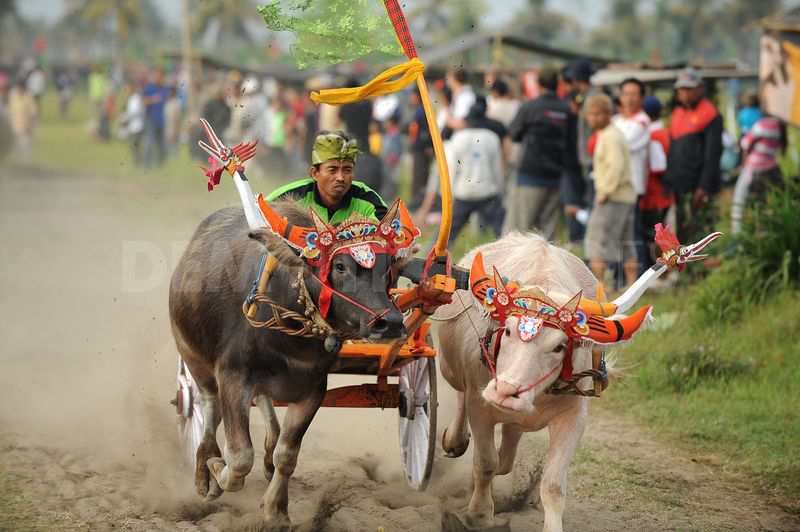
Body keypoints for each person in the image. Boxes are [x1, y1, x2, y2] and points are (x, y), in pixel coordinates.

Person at [505, 65, 576, 240]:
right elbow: (571, 142)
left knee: (522, 231)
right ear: (557, 84)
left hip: (530, 176)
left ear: (539, 83)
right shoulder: (566, 110)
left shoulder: (530, 107)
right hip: (555, 177)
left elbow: (514, 133)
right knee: (548, 233)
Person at [266, 130, 387, 223]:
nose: (340, 177)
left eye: (347, 170)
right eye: (332, 170)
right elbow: (257, 215)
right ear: (314, 173)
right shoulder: (290, 196)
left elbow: (388, 230)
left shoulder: (369, 200)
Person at [583, 94, 638, 288]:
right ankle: (633, 287)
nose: (593, 118)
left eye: (598, 114)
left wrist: (604, 191)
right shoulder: (611, 134)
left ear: (608, 114)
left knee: (596, 242)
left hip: (612, 197)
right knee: (626, 242)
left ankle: (600, 289)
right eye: (590, 114)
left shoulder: (611, 136)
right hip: (624, 196)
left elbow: (616, 166)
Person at [663, 68, 723, 245]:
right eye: (681, 89)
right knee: (682, 230)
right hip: (680, 185)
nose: (684, 93)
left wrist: (704, 186)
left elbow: (713, 154)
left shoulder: (710, 114)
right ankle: (687, 271)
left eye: (689, 88)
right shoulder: (677, 113)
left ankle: (703, 271)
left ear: (700, 89)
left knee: (702, 232)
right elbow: (673, 149)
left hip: (698, 187)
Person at [445, 100, 506, 243]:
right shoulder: (492, 137)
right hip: (487, 193)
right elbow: (497, 169)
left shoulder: (458, 138)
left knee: (446, 236)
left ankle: (430, 259)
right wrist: (500, 191)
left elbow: (453, 169)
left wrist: (449, 195)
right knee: (503, 234)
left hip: (463, 193)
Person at [612, 77, 651, 273]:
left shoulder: (642, 121)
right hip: (614, 186)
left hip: (632, 186)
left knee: (632, 234)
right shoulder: (616, 120)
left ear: (641, 98)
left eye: (634, 94)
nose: (629, 98)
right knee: (617, 233)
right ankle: (619, 275)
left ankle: (639, 277)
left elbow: (620, 144)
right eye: (626, 94)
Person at [731, 115, 786, 235]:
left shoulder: (763, 124)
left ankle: (737, 236)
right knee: (766, 206)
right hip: (772, 169)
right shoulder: (780, 127)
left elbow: (745, 143)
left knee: (739, 203)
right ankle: (767, 235)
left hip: (754, 170)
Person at [639, 95, 673, 270]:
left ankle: (657, 270)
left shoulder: (651, 136)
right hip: (664, 194)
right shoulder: (666, 132)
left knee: (652, 236)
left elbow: (658, 167)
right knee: (661, 235)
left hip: (653, 195)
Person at [141, 69, 170, 169]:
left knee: (161, 143)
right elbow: (143, 101)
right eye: (157, 76)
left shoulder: (164, 88)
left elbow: (167, 100)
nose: (159, 78)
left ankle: (161, 164)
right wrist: (153, 99)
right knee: (149, 142)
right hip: (150, 119)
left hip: (161, 120)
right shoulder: (149, 88)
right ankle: (146, 164)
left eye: (161, 76)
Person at [7, 78, 37, 156]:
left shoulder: (28, 96)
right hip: (13, 129)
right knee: (13, 152)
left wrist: (32, 127)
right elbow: (9, 110)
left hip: (25, 129)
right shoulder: (12, 95)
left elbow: (33, 113)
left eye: (21, 87)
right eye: (18, 87)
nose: (19, 89)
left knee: (25, 151)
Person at [118, 82, 145, 166]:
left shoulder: (135, 99)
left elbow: (135, 112)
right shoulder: (131, 99)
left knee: (135, 146)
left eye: (127, 89)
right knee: (134, 146)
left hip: (137, 126)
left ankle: (139, 162)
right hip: (133, 126)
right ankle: (138, 162)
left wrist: (125, 118)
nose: (126, 91)